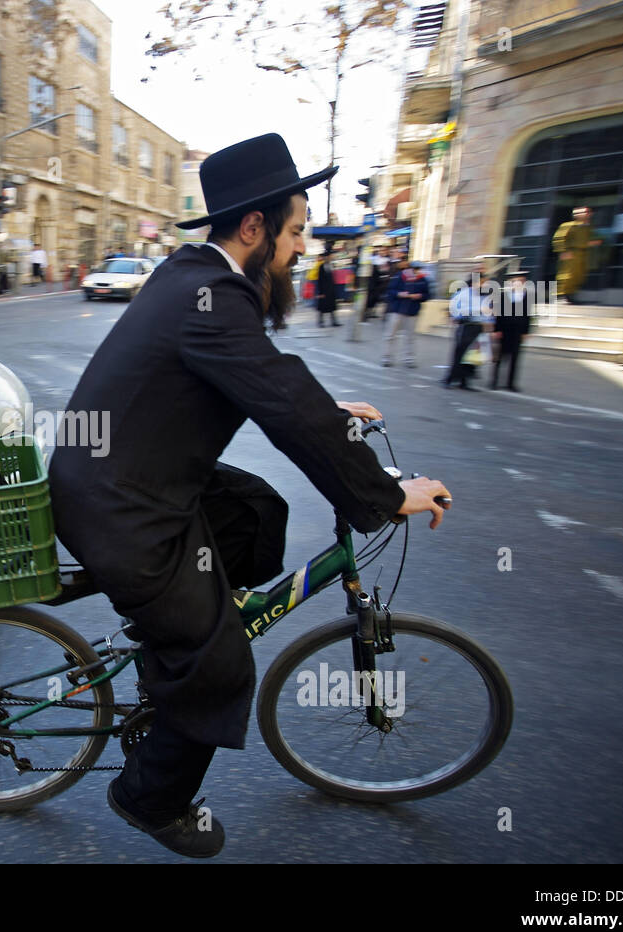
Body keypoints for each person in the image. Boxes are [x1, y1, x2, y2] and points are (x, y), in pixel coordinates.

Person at [47, 133, 451, 858]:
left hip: (135, 479)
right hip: (123, 508)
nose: (304, 249)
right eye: (296, 231)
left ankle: (174, 636)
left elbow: (272, 377)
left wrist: (335, 413)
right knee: (223, 663)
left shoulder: (197, 277)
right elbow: (282, 398)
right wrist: (388, 495)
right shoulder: (212, 293)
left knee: (260, 510)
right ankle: (148, 795)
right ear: (254, 227)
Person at [444, 268, 489, 390]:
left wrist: (488, 322)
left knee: (471, 355)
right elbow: (457, 310)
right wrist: (477, 310)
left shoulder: (484, 295)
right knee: (460, 354)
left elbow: (488, 312)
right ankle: (449, 379)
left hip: (478, 327)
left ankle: (464, 381)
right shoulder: (463, 294)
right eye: (483, 282)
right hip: (466, 326)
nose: (484, 284)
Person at [491, 270, 533, 391]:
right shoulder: (504, 296)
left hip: (518, 331)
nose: (519, 283)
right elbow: (498, 314)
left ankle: (510, 383)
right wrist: (497, 330)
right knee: (500, 357)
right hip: (504, 330)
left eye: (521, 281)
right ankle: (494, 381)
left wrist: (526, 332)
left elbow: (528, 315)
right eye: (516, 281)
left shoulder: (527, 297)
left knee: (515, 359)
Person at [551, 206, 600, 304]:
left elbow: (595, 238)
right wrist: (563, 251)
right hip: (571, 253)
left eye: (586, 212)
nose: (584, 214)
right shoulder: (568, 225)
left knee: (578, 276)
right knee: (566, 275)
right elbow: (559, 238)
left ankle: (569, 295)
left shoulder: (589, 227)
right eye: (579, 212)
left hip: (583, 254)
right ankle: (559, 296)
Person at [380, 256, 419, 368]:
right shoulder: (398, 276)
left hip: (411, 310)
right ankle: (386, 357)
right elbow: (390, 291)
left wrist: (420, 296)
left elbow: (426, 293)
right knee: (390, 335)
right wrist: (399, 294)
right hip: (396, 310)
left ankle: (409, 359)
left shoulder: (420, 279)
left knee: (410, 336)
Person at [315, 250, 339, 327]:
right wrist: (320, 292)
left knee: (332, 307)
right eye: (331, 256)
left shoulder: (331, 265)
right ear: (327, 257)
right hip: (324, 290)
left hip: (331, 290)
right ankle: (320, 322)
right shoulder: (321, 267)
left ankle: (334, 321)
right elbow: (319, 280)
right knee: (322, 307)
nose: (332, 257)